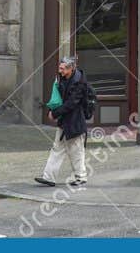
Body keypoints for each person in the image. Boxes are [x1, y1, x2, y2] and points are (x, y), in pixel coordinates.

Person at [35, 55, 95, 189]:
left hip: (75, 122)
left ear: (71, 69)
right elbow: (57, 98)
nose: (60, 71)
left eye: (62, 69)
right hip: (65, 121)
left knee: (76, 150)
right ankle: (48, 177)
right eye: (60, 68)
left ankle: (81, 177)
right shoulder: (62, 78)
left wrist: (55, 113)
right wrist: (51, 109)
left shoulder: (80, 83)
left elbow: (71, 103)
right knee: (57, 148)